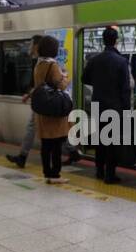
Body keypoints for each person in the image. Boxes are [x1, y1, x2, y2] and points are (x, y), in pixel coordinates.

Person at [7, 36, 81, 169]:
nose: (30, 47)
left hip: (46, 103)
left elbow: (45, 85)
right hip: (48, 102)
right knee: (53, 131)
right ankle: (71, 152)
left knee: (49, 133)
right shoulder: (47, 63)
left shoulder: (44, 63)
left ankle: (26, 158)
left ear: (38, 46)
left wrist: (30, 95)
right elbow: (55, 84)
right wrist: (66, 77)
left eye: (31, 44)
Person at [82, 27, 132, 184]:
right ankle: (110, 175)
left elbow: (84, 79)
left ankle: (99, 171)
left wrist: (98, 84)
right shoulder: (121, 61)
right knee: (112, 142)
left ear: (103, 41)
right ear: (116, 41)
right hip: (115, 107)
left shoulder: (94, 60)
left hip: (98, 105)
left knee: (100, 140)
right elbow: (125, 89)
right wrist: (126, 110)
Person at [33, 35, 71, 184]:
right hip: (54, 110)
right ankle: (55, 174)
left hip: (43, 109)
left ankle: (47, 173)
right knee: (55, 145)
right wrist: (66, 76)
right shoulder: (52, 65)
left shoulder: (39, 64)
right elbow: (61, 85)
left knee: (46, 145)